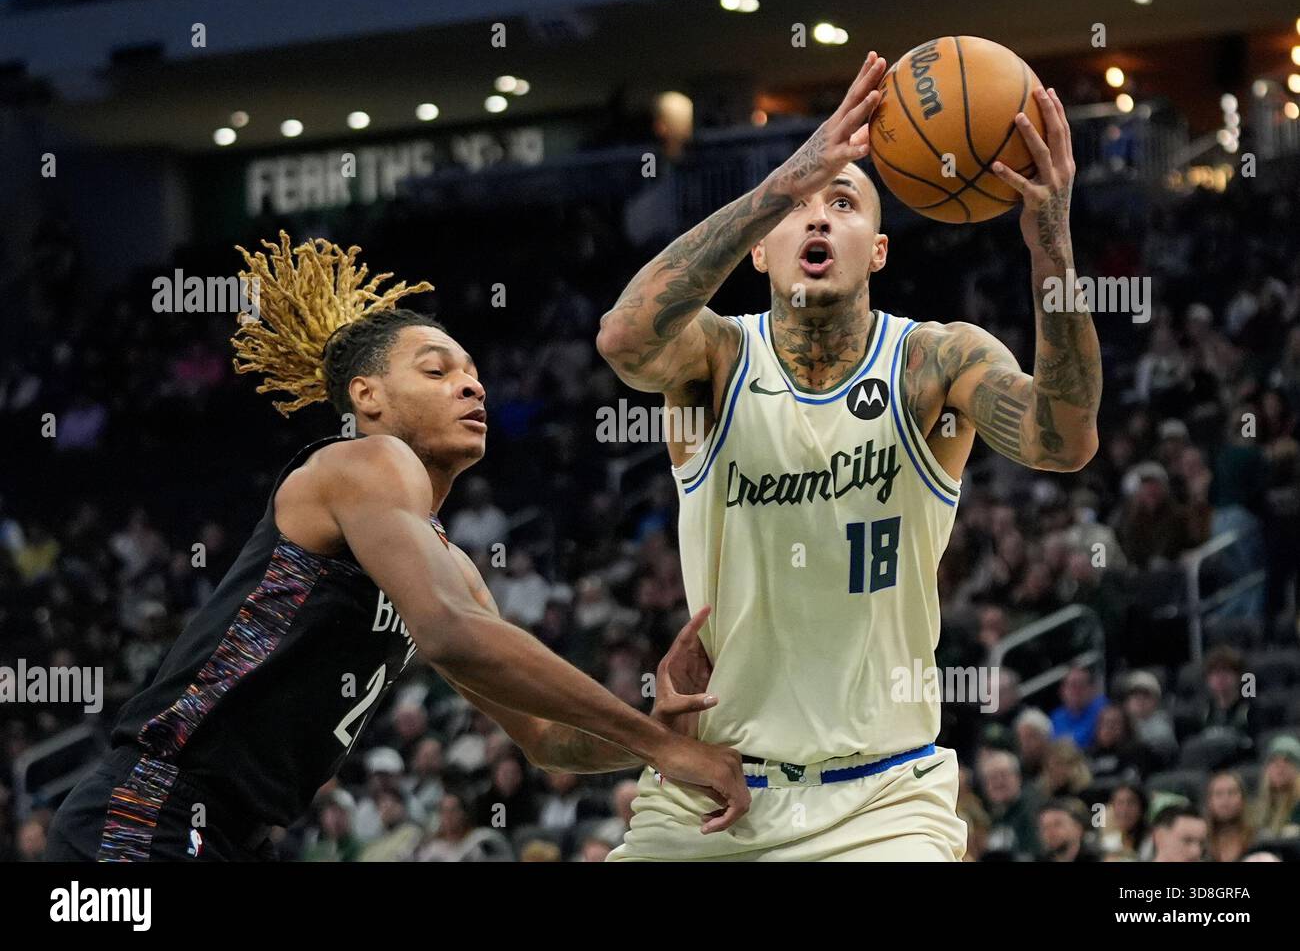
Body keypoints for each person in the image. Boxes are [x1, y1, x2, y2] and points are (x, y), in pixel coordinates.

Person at [45, 234, 747, 862]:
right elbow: (450, 634)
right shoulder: (367, 460)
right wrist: (663, 747)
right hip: (149, 807)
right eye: (437, 371)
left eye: (473, 372)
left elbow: (543, 737)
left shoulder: (449, 565)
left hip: (230, 832)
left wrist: (644, 731)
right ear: (368, 397)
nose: (471, 383)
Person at [598, 49, 1100, 860]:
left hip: (884, 797)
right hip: (713, 782)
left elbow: (1066, 439)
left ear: (879, 250)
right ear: (760, 247)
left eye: (843, 201)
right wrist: (779, 182)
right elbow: (623, 338)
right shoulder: (713, 360)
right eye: (799, 207)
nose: (819, 216)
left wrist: (1052, 248)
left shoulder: (935, 362)